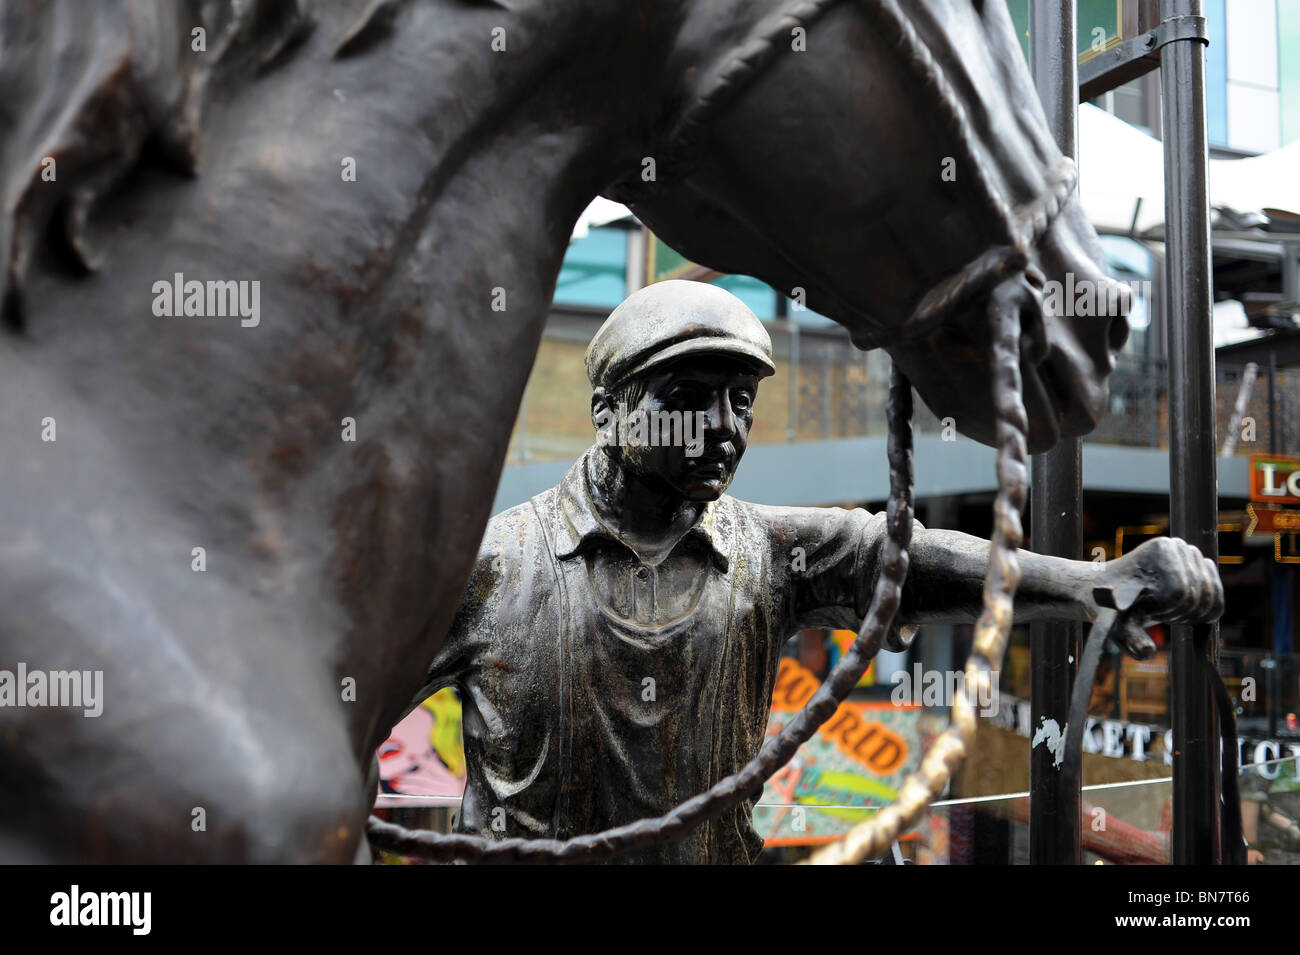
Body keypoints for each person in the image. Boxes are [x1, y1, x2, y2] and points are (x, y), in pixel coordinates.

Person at [407, 280, 1223, 864]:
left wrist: (1092, 582)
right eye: (691, 395)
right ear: (608, 411)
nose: (723, 428)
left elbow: (905, 558)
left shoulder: (766, 549)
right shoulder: (487, 566)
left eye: (741, 404)